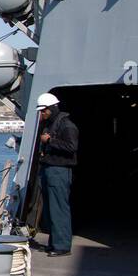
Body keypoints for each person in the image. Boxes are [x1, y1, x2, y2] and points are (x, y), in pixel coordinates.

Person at [36, 92, 78, 257]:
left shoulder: (67, 125)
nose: (42, 113)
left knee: (59, 208)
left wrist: (50, 141)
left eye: (44, 110)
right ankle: (54, 243)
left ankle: (62, 246)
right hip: (49, 169)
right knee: (50, 209)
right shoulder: (51, 123)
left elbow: (71, 147)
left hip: (59, 170)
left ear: (52, 108)